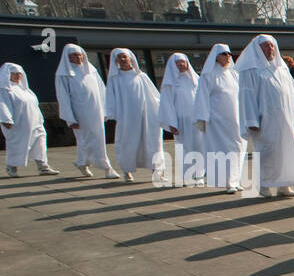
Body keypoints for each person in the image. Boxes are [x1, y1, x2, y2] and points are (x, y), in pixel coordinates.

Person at [236, 33, 294, 199]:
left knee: (285, 151)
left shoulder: (281, 68)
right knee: (267, 153)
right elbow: (247, 96)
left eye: (272, 45)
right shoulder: (251, 70)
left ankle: (284, 185)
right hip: (264, 119)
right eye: (266, 46)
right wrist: (251, 119)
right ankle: (264, 185)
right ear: (258, 49)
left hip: (285, 119)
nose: (270, 49)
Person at [54, 44, 115, 178]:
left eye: (79, 54)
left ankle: (82, 162)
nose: (78, 57)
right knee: (86, 139)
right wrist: (70, 118)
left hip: (96, 111)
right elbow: (63, 97)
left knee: (96, 138)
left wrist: (106, 110)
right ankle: (106, 166)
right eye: (74, 55)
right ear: (68, 58)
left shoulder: (91, 70)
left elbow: (101, 90)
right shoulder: (63, 74)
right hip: (80, 113)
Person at [104, 49, 162, 184]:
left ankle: (156, 171)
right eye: (120, 58)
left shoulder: (141, 76)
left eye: (125, 57)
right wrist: (110, 113)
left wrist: (162, 111)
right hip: (127, 117)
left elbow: (154, 96)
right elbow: (110, 97)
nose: (123, 60)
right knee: (127, 143)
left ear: (130, 58)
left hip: (146, 116)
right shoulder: (115, 79)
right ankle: (127, 171)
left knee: (152, 142)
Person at [193, 44, 246, 194]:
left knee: (239, 148)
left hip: (236, 119)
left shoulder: (234, 74)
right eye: (224, 54)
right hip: (218, 122)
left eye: (229, 54)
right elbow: (202, 98)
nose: (227, 57)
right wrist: (203, 119)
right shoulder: (208, 75)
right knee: (224, 151)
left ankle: (236, 179)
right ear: (216, 56)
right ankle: (229, 182)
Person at [0, 63, 59, 177]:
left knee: (40, 142)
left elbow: (34, 105)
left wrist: (40, 119)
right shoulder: (5, 89)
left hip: (35, 122)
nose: (18, 76)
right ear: (8, 75)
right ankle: (12, 167)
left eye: (20, 74)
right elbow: (2, 104)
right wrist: (5, 119)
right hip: (17, 124)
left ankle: (43, 166)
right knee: (17, 145)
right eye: (14, 73)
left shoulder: (26, 90)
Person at [159, 53, 205, 185]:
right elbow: (166, 104)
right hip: (181, 122)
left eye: (182, 62)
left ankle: (200, 175)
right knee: (185, 148)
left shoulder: (196, 80)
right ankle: (188, 176)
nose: (180, 64)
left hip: (197, 120)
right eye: (177, 62)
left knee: (200, 146)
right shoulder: (169, 84)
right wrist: (172, 123)